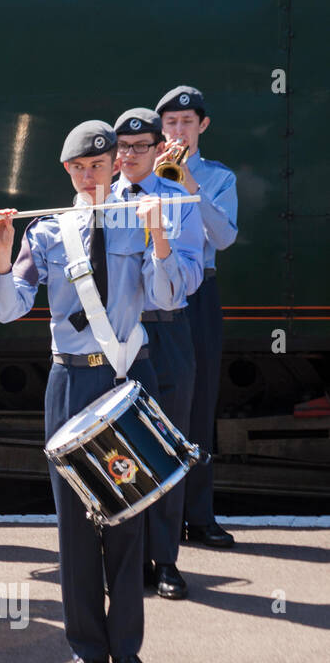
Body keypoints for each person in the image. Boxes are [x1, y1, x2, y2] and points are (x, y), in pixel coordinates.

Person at [0, 120, 189, 663]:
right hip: (70, 384)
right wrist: (3, 255)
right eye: (79, 167)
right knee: (75, 523)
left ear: (115, 166)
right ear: (68, 172)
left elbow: (171, 297)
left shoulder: (140, 219)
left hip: (126, 376)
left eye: (99, 165)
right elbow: (7, 309)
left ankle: (127, 649)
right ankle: (86, 649)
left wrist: (159, 239)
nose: (90, 174)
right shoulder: (49, 232)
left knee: (127, 514)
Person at [108, 108, 204, 600]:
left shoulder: (179, 199)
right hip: (118, 334)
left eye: (138, 147)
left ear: (158, 148)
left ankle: (164, 560)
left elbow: (189, 277)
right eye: (120, 148)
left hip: (164, 333)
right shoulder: (104, 201)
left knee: (168, 448)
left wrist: (159, 242)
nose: (126, 156)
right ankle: (126, 557)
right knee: (121, 447)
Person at [156, 84, 239, 549]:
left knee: (201, 403)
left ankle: (199, 516)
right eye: (170, 122)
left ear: (202, 125)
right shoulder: (145, 172)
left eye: (187, 121)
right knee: (157, 401)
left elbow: (223, 238)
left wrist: (190, 183)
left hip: (199, 292)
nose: (179, 130)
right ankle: (156, 518)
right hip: (156, 292)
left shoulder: (219, 177)